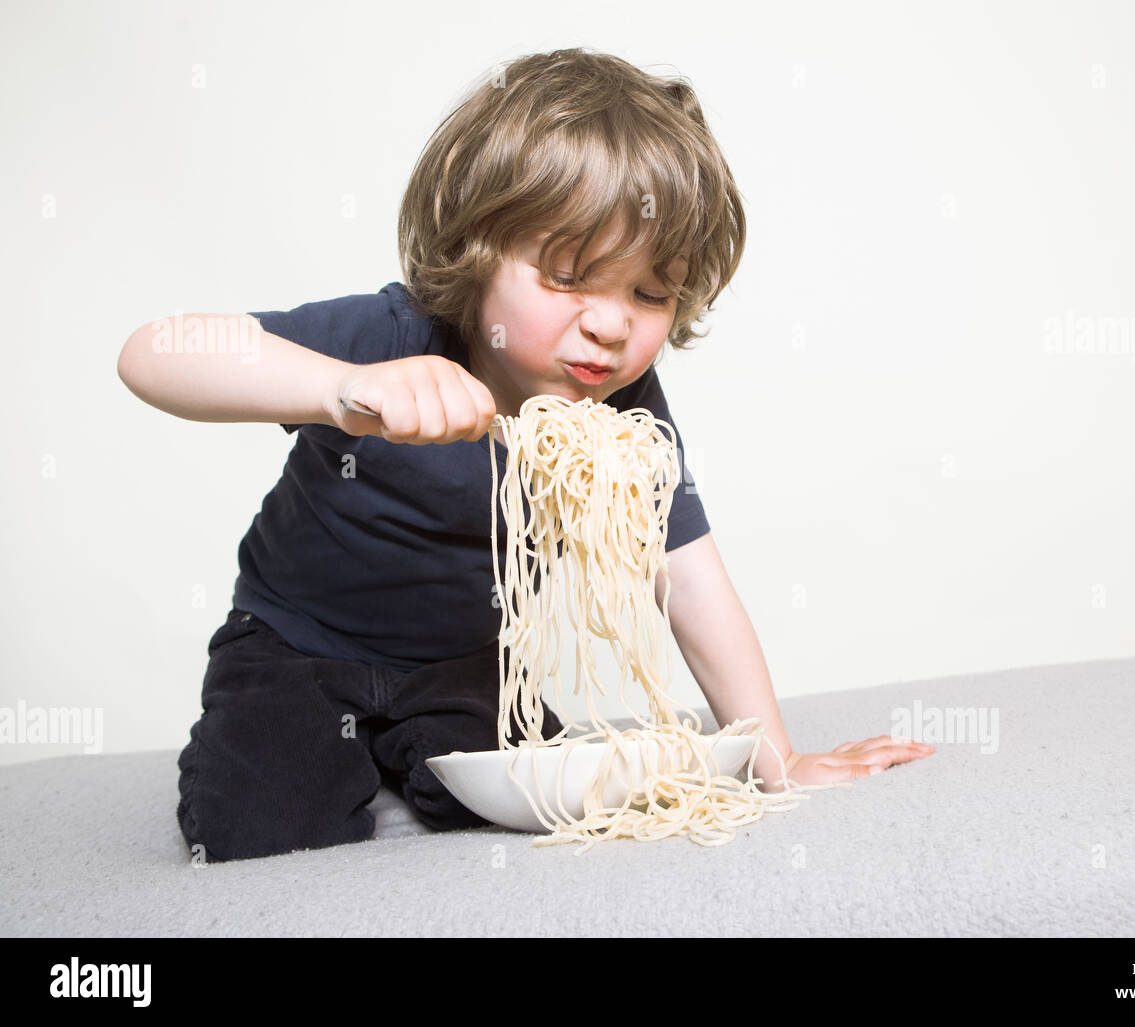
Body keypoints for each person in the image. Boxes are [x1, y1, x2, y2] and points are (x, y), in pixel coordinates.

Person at [117, 47, 933, 863]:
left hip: (467, 666)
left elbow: (687, 576)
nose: (612, 326)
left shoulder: (623, 411)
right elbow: (154, 352)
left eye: (651, 293)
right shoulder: (393, 339)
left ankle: (405, 753)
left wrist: (776, 759)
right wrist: (342, 389)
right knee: (263, 828)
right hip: (295, 643)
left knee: (542, 801)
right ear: (476, 247)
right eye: (570, 275)